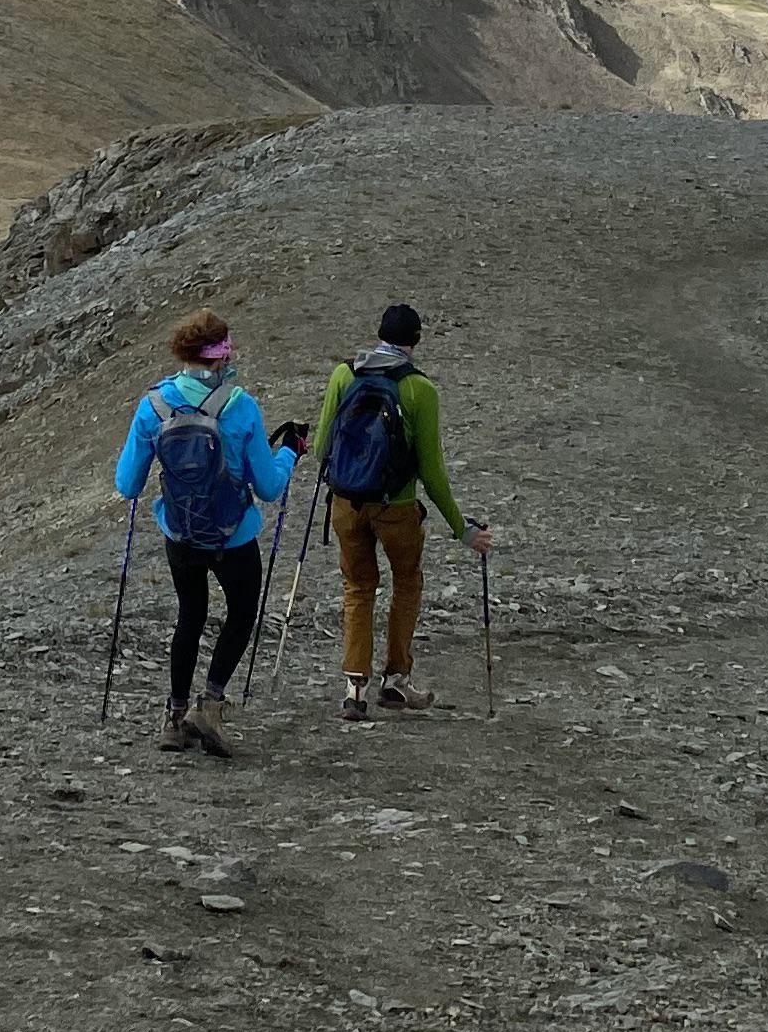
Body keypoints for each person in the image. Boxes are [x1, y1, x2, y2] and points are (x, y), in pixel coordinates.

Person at [110, 309, 303, 755]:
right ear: (221, 357)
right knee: (240, 615)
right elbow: (270, 487)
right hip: (234, 537)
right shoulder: (241, 406)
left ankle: (173, 719)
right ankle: (210, 704)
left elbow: (127, 485)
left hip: (180, 533)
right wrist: (291, 452)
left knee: (189, 617)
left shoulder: (154, 406)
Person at [307, 303, 493, 719]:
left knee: (357, 587)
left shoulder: (343, 374)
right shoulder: (420, 390)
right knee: (406, 581)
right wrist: (463, 529)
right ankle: (396, 681)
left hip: (346, 504)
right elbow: (432, 470)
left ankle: (354, 688)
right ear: (415, 342)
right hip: (397, 508)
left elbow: (321, 448)